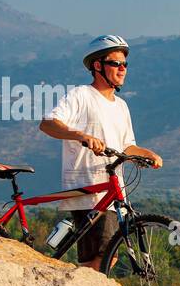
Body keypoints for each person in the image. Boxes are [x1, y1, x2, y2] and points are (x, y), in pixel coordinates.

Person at [39, 35, 163, 270]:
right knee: (102, 257)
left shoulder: (121, 106)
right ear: (98, 66)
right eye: (116, 63)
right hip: (87, 185)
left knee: (102, 258)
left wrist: (147, 153)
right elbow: (48, 124)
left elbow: (127, 146)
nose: (122, 69)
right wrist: (81, 136)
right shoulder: (81, 95)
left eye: (125, 64)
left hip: (113, 190)